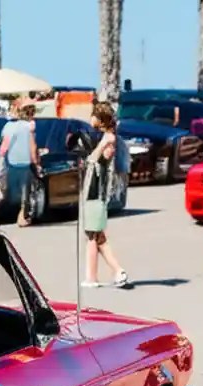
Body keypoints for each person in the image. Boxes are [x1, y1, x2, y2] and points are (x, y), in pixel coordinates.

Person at [81, 104, 130, 288]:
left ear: (100, 119)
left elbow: (94, 160)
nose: (90, 119)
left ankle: (93, 277)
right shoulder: (106, 137)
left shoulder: (109, 139)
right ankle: (117, 271)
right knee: (97, 236)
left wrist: (100, 146)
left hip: (96, 190)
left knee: (92, 235)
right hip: (93, 189)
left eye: (93, 115)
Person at [0, 102, 38, 225]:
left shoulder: (9, 126)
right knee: (25, 192)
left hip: (7, 161)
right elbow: (32, 147)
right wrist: (36, 163)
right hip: (23, 163)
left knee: (3, 189)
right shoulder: (30, 126)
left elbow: (3, 146)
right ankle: (22, 218)